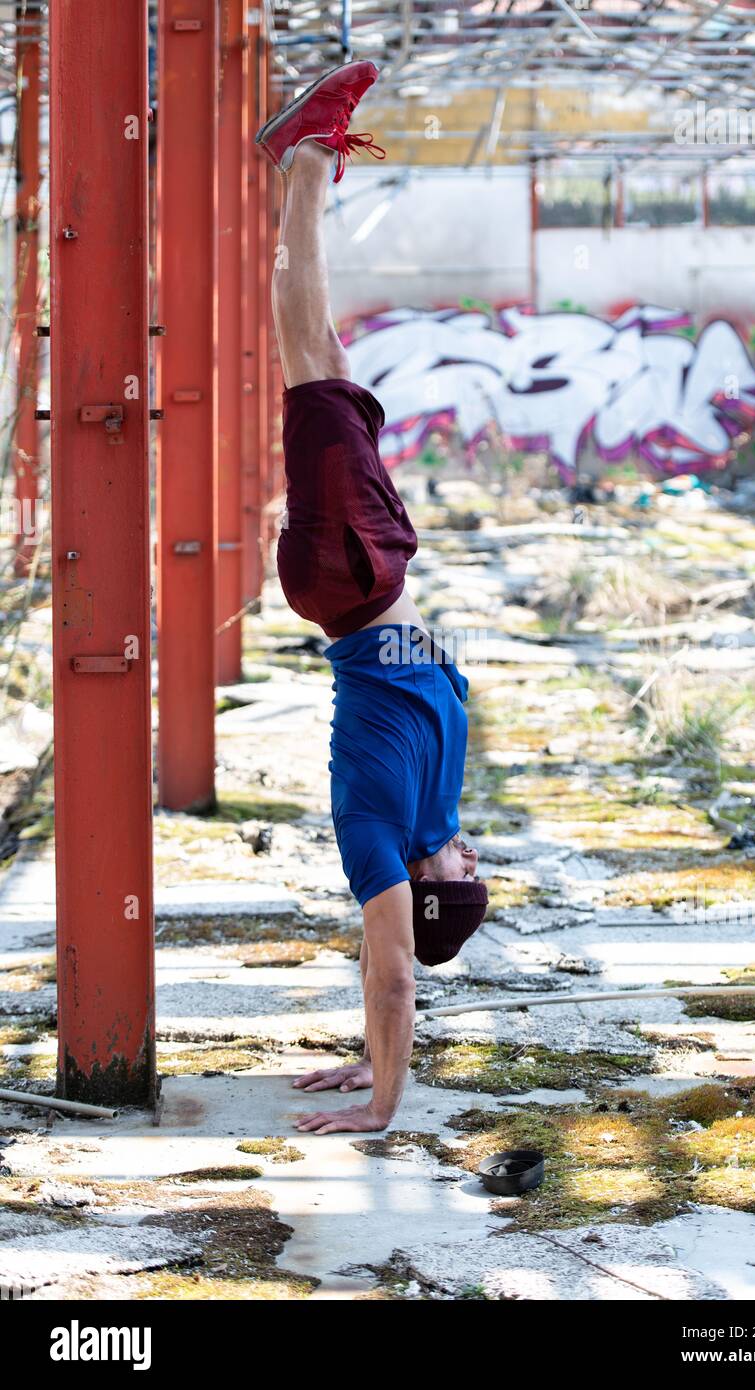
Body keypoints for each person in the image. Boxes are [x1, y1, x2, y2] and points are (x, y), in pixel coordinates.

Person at [256, 62, 488, 1135]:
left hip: (349, 577)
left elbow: (392, 968)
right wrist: (367, 1053)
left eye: (463, 872)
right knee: (332, 369)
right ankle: (302, 158)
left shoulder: (376, 828)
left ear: (424, 882)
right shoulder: (430, 810)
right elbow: (391, 973)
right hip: (378, 566)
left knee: (308, 363)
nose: (471, 853)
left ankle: (301, 155)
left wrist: (381, 1107)